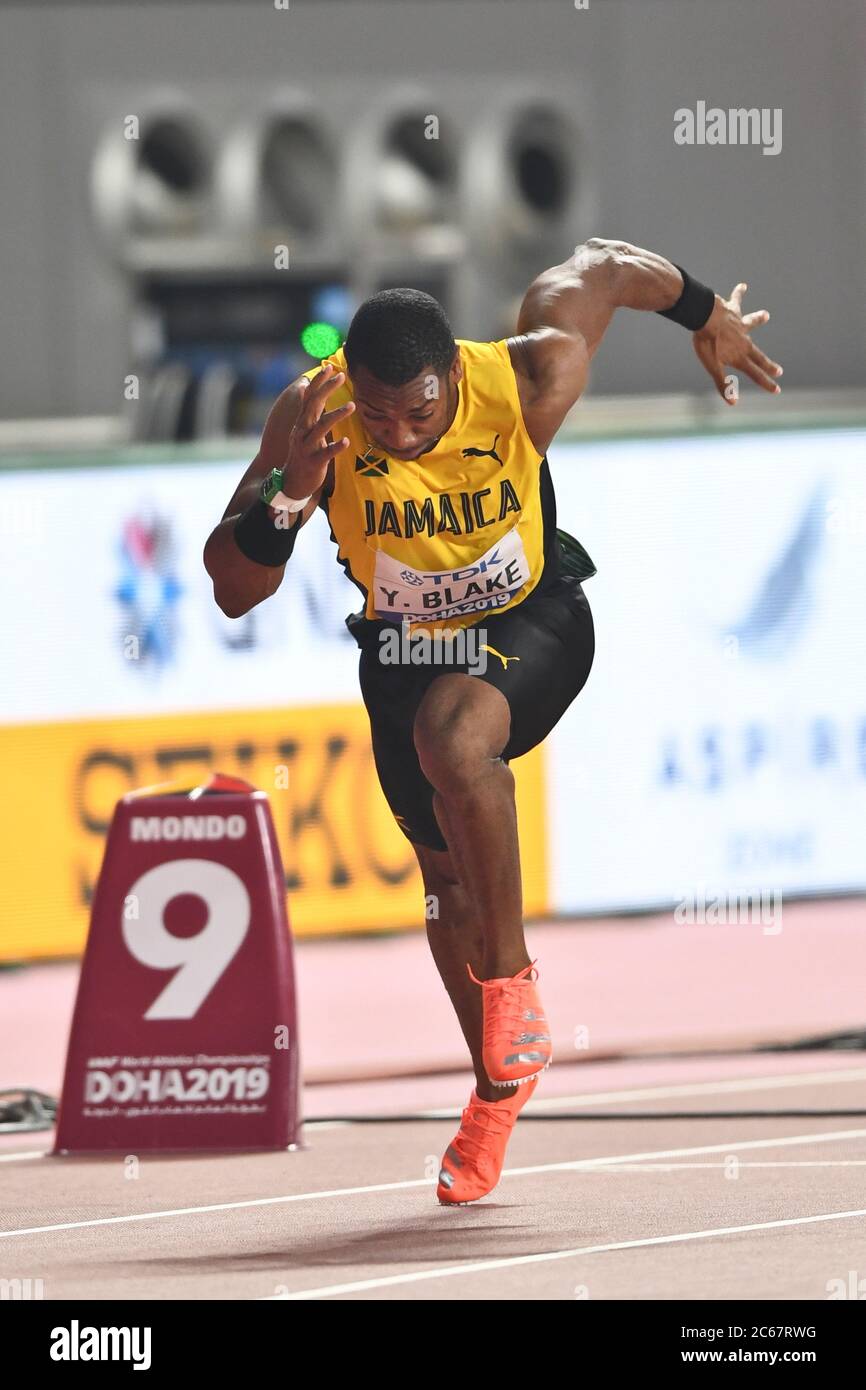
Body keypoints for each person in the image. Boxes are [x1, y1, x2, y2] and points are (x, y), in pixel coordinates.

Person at [204, 238, 782, 1204]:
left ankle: (514, 987)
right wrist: (291, 490)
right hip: (401, 650)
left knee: (455, 737)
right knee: (444, 892)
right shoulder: (316, 413)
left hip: (532, 616)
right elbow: (232, 590)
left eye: (418, 412)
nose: (394, 432)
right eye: (377, 413)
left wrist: (706, 313)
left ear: (449, 380)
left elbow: (603, 266)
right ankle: (495, 1088)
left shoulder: (528, 369)